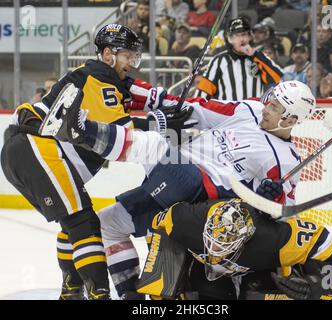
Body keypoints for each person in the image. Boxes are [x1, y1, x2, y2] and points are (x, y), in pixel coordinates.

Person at [41, 79, 316, 298]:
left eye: (276, 107)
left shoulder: (286, 160)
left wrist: (269, 198)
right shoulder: (250, 110)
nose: (267, 107)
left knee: (155, 146)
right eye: (270, 100)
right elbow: (199, 109)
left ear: (291, 120)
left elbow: (283, 214)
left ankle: (80, 131)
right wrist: (158, 102)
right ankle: (130, 297)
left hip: (202, 190)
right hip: (177, 174)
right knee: (108, 224)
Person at [0, 23, 181, 300]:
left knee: (72, 223)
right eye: (127, 56)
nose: (131, 63)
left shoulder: (101, 78)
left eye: (135, 57)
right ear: (108, 54)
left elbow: (135, 102)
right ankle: (99, 294)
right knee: (84, 224)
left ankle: (72, 291)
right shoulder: (100, 79)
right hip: (37, 148)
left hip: (23, 150)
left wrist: (164, 109)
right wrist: (159, 122)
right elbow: (122, 134)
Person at [138, 198, 332, 300]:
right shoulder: (186, 222)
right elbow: (157, 225)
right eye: (213, 238)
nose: (214, 248)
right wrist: (161, 278)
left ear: (244, 238)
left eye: (224, 242)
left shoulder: (271, 239)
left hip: (258, 269)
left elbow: (322, 242)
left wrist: (322, 283)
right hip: (206, 274)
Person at [195, 17, 283, 101]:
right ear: (229, 39)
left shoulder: (259, 57)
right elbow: (203, 91)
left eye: (244, 34)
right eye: (236, 35)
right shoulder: (219, 61)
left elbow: (277, 77)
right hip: (229, 114)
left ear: (250, 37)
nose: (241, 39)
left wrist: (254, 54)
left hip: (254, 113)